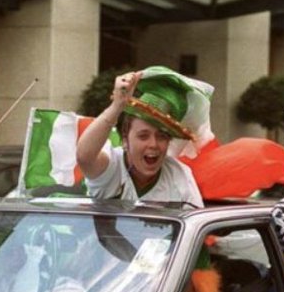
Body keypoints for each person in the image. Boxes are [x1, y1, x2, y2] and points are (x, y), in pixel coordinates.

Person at [76, 66, 209, 206]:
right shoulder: (112, 166)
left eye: (162, 136)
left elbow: (195, 217)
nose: (153, 144)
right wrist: (117, 105)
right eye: (143, 136)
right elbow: (84, 156)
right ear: (125, 139)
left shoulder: (179, 177)